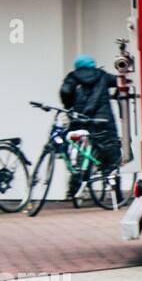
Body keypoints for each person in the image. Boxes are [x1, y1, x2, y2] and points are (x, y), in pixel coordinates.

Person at [59, 54, 121, 191]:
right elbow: (121, 82)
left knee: (78, 147)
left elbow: (65, 91)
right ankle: (114, 189)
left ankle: (76, 183)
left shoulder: (73, 76)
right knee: (111, 152)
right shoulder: (102, 75)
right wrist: (116, 95)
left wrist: (69, 105)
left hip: (80, 119)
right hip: (102, 120)